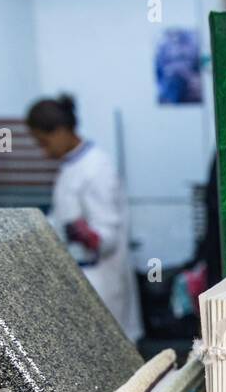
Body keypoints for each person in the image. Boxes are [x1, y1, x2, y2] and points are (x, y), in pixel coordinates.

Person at [26, 94, 143, 342]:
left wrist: (86, 235)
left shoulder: (97, 168)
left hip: (101, 283)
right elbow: (60, 218)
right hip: (81, 281)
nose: (44, 152)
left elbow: (107, 238)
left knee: (108, 354)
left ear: (61, 130)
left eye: (44, 143)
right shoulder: (71, 167)